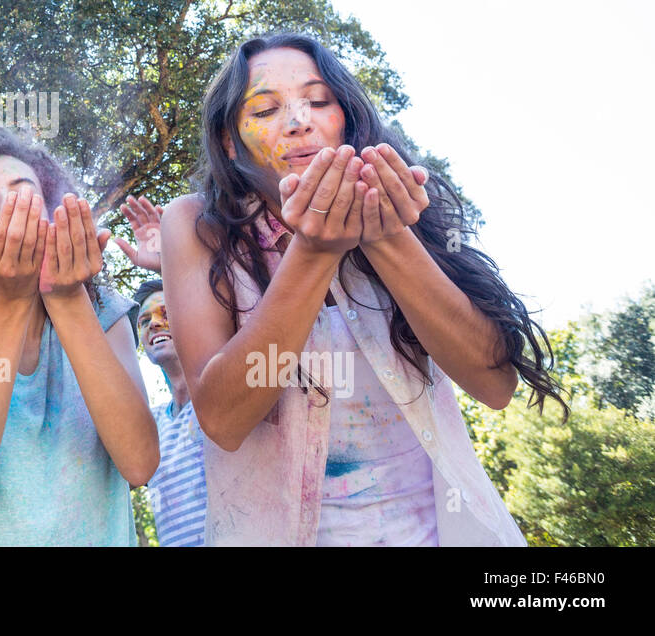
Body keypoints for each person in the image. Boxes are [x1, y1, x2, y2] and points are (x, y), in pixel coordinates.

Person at [158, 31, 565, 546]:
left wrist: (388, 236)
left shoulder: (402, 202)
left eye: (318, 101)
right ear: (227, 140)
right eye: (264, 110)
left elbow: (495, 386)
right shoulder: (195, 226)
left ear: (344, 116)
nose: (298, 120)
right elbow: (222, 419)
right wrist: (315, 251)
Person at [0, 125, 157, 546]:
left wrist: (65, 298)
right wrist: (10, 302)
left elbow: (140, 464)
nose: (9, 208)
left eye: (25, 192)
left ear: (58, 209)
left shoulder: (103, 309)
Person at [127, 276, 207, 547]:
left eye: (167, 311)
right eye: (144, 320)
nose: (154, 323)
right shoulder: (152, 425)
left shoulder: (220, 398)